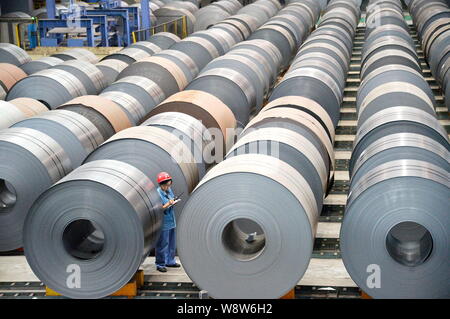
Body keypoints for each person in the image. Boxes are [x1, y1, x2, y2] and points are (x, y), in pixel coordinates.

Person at [155, 172, 181, 272]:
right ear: (161, 184)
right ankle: (160, 264)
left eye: (169, 185)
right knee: (162, 244)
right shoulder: (157, 194)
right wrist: (167, 204)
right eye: (166, 185)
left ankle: (170, 261)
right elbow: (158, 209)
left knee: (171, 243)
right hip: (163, 223)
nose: (168, 187)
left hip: (171, 220)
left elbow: (171, 198)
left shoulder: (168, 190)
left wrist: (174, 201)